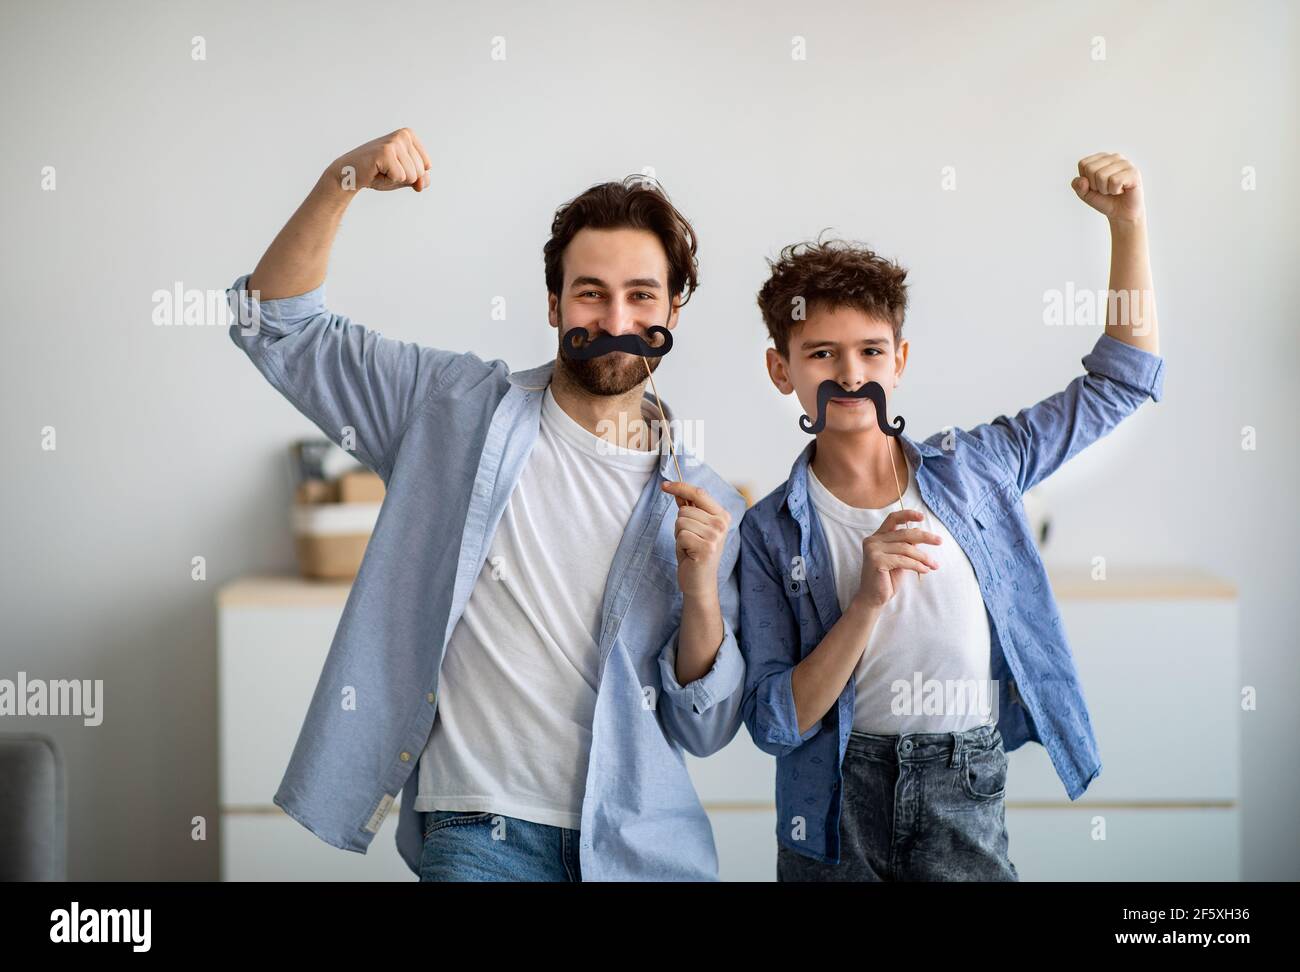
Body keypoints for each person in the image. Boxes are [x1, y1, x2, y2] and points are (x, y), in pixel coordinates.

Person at [226, 128, 746, 881]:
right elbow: (273, 323)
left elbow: (707, 729)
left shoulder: (710, 504)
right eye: (590, 293)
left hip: (640, 847)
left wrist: (701, 591)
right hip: (478, 832)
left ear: (674, 309)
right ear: (552, 302)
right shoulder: (450, 409)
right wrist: (344, 176)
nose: (614, 320)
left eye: (641, 296)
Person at [737, 153, 1166, 880]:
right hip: (837, 800)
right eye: (822, 353)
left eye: (871, 351)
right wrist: (866, 603)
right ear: (783, 369)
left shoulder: (978, 470)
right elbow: (778, 721)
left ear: (898, 360)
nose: (850, 375)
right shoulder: (769, 532)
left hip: (964, 778)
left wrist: (1128, 224)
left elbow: (1123, 383)